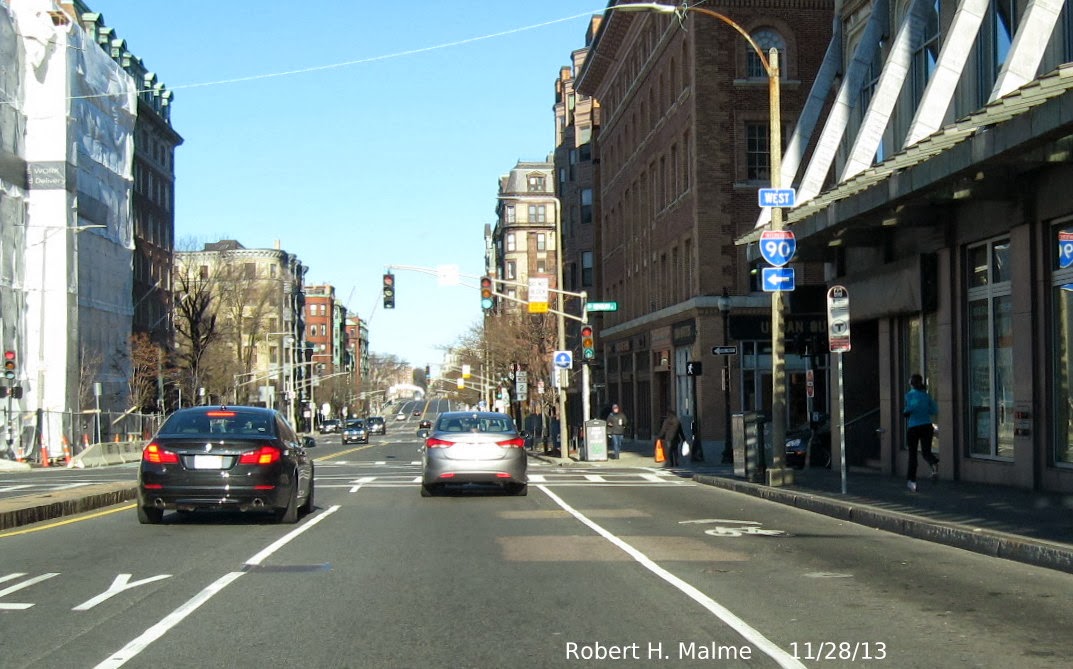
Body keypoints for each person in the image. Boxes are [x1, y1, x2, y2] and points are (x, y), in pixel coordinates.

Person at [904, 373, 939, 492]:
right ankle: (933, 462)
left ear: (912, 383)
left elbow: (911, 407)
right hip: (927, 426)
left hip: (914, 427)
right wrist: (925, 410)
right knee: (926, 451)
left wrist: (906, 411)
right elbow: (934, 410)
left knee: (913, 455)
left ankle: (912, 481)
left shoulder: (910, 395)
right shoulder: (926, 396)